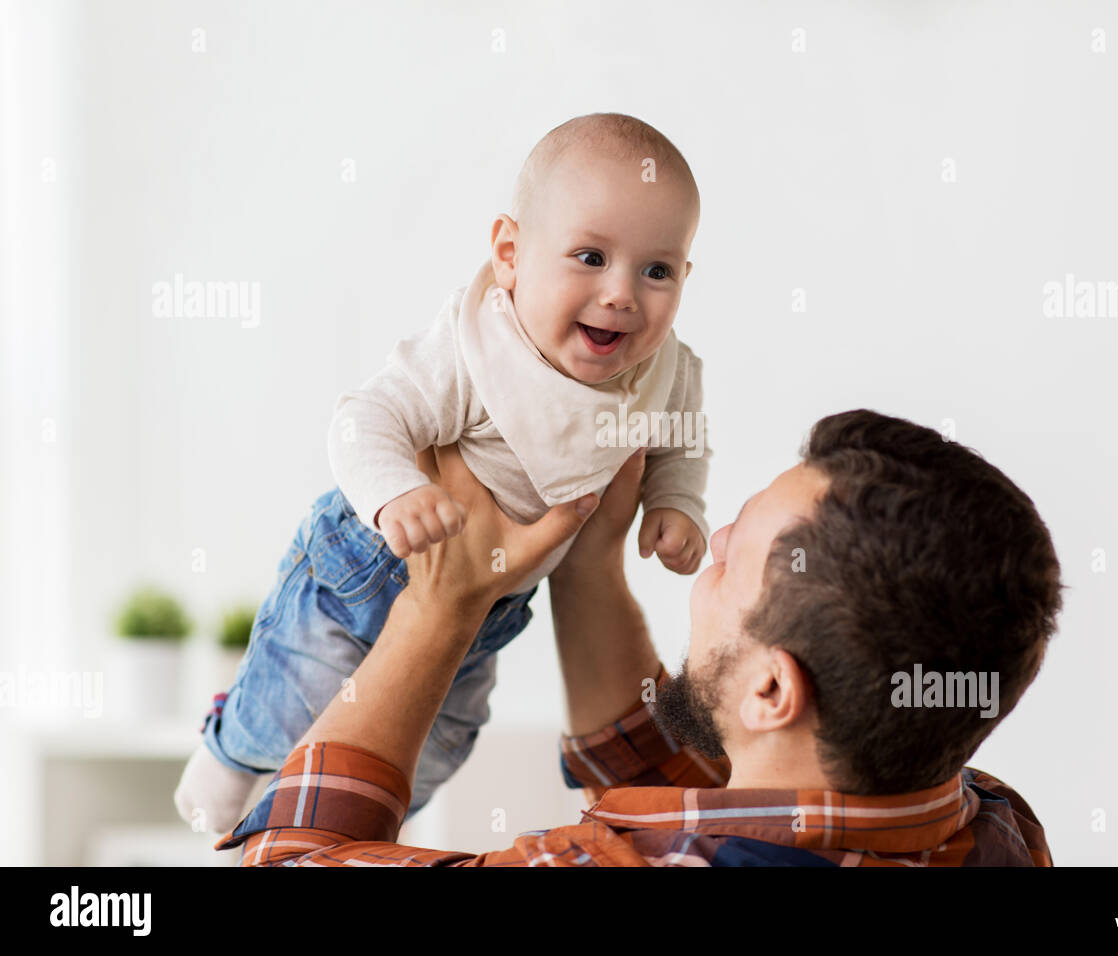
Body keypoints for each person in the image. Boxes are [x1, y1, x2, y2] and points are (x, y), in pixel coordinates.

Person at [213, 408, 1063, 866]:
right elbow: (716, 797)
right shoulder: (984, 823)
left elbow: (287, 863)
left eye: (733, 557)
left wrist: (440, 606)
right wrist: (590, 558)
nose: (710, 552)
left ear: (773, 689)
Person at [175, 113, 711, 832]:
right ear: (511, 253)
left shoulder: (665, 372)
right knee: (290, 700)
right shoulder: (475, 349)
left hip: (492, 608)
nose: (622, 293)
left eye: (657, 270)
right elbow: (363, 419)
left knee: (438, 747)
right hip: (367, 565)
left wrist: (676, 504)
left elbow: (680, 443)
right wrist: (398, 492)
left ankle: (309, 807)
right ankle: (229, 752)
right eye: (589, 257)